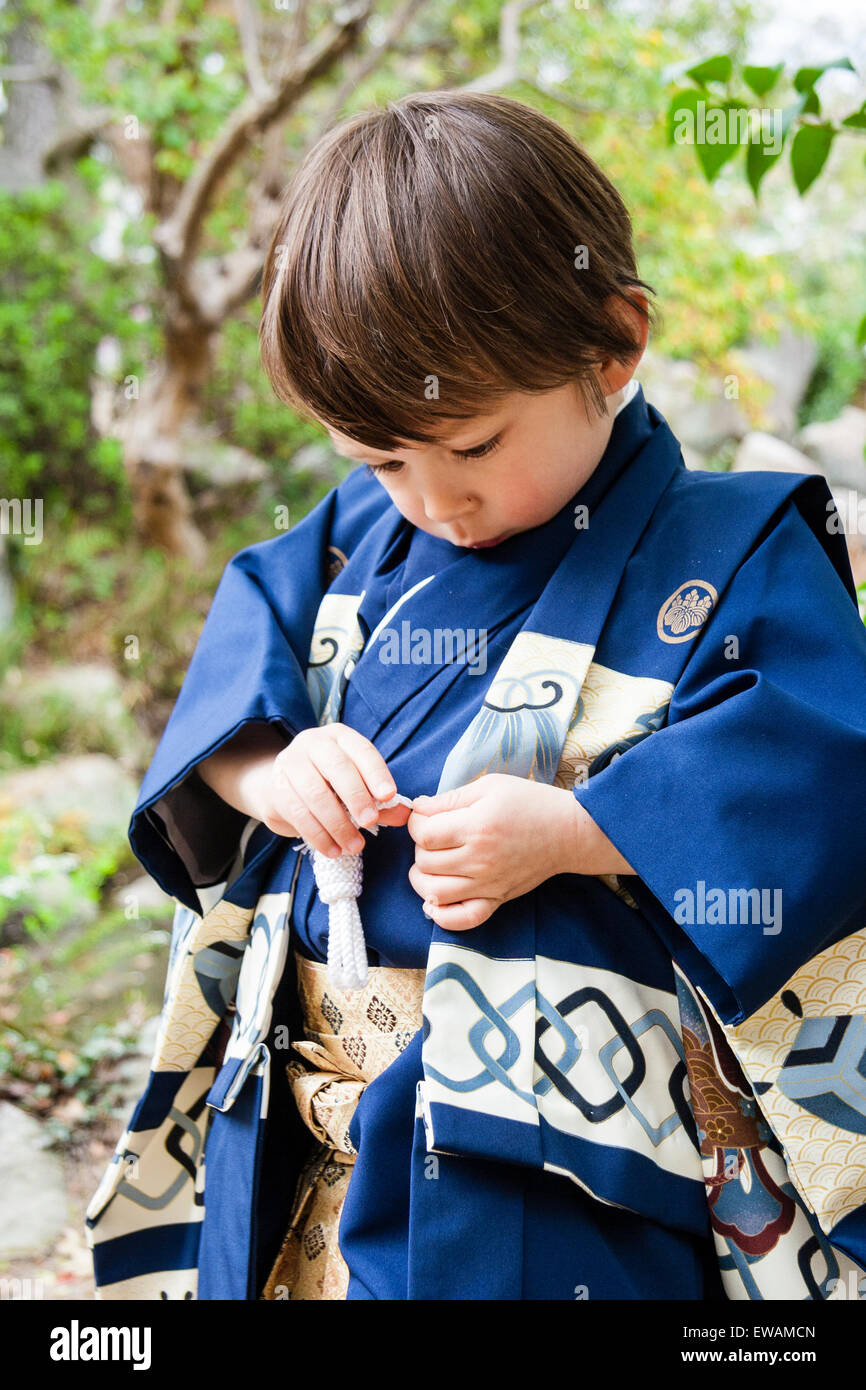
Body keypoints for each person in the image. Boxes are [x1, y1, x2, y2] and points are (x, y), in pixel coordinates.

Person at [86, 90, 866, 1302]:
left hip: (568, 1170)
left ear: (612, 345)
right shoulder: (347, 545)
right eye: (383, 458)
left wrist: (578, 832)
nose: (432, 502)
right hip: (308, 1137)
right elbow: (230, 710)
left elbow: (817, 759)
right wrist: (273, 771)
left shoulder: (730, 545)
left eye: (474, 446)